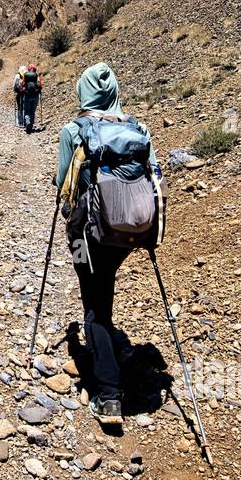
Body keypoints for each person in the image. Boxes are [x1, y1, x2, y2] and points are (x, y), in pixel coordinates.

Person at [54, 62, 160, 424]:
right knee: (105, 280)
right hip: (131, 231)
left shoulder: (74, 130)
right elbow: (155, 176)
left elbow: (62, 188)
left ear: (84, 92)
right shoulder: (138, 128)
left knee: (93, 300)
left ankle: (108, 394)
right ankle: (112, 344)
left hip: (88, 232)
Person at [20, 64, 42, 132]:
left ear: (28, 69)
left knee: (27, 111)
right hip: (35, 95)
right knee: (32, 111)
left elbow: (22, 84)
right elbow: (40, 85)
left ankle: (27, 122)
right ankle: (31, 125)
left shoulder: (25, 75)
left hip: (27, 95)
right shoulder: (37, 76)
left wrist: (22, 90)